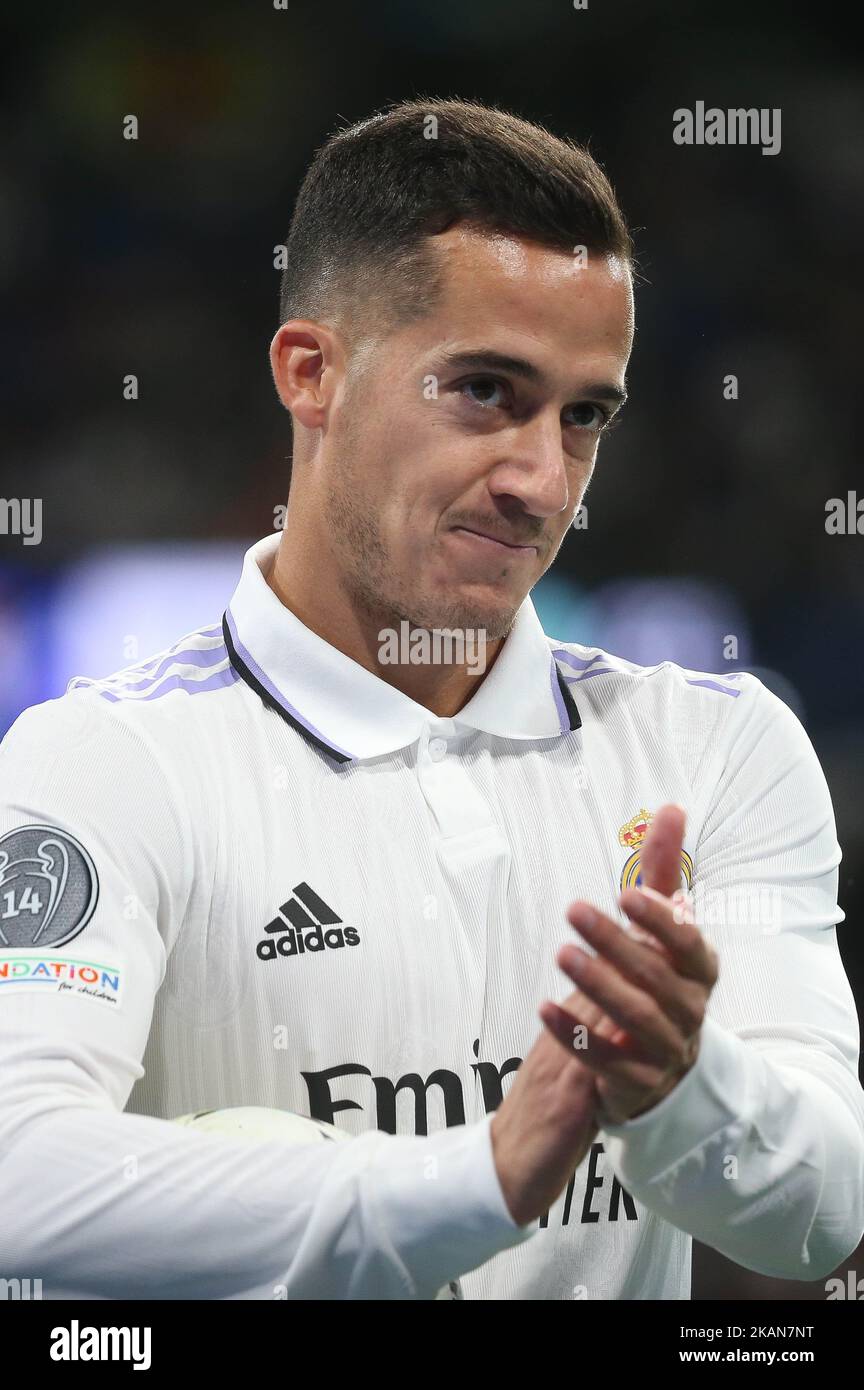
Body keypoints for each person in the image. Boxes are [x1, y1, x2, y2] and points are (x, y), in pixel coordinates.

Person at [0, 97, 861, 1301]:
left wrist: (683, 1084)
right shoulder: (103, 763)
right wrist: (477, 1177)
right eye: (487, 392)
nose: (542, 480)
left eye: (585, 415)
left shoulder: (716, 749)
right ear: (313, 373)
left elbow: (820, 1219)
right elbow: (21, 1174)